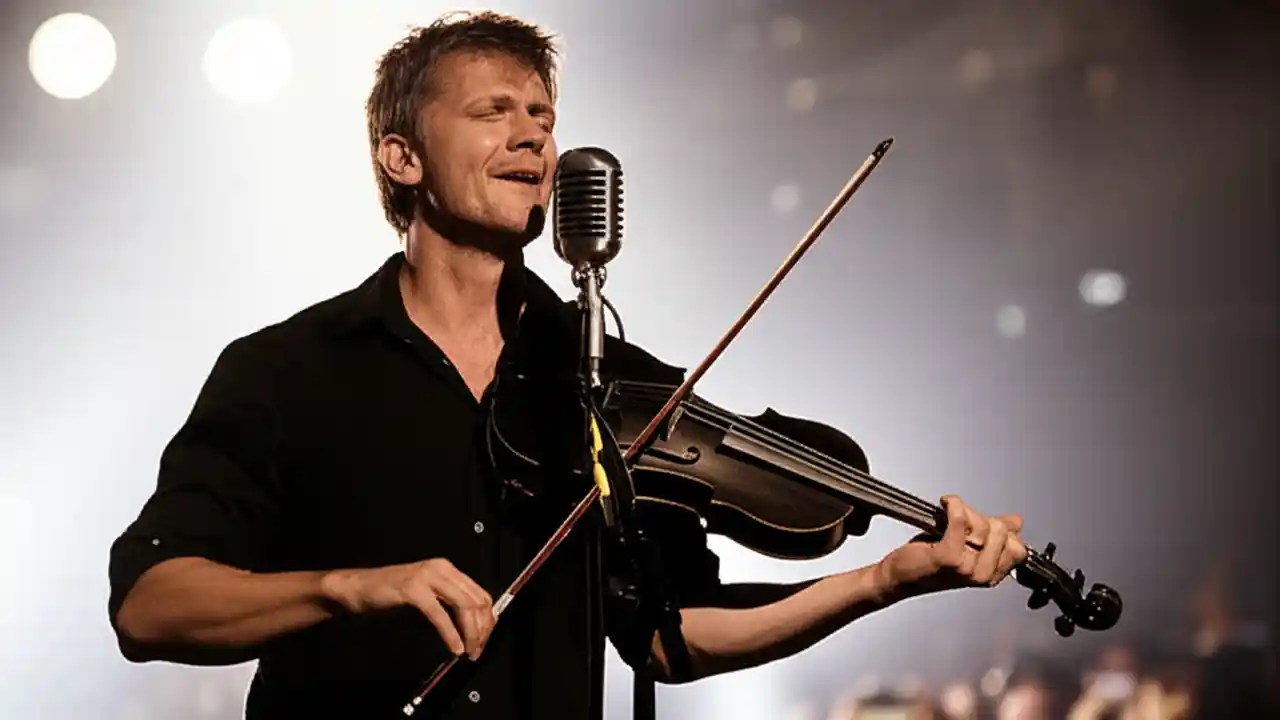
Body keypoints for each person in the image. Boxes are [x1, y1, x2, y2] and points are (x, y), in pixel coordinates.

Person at [107, 11, 1030, 719]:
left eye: (543, 117)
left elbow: (672, 641)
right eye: (492, 112)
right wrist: (354, 585)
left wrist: (880, 582)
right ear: (402, 157)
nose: (533, 137)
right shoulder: (287, 370)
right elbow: (152, 607)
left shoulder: (611, 384)